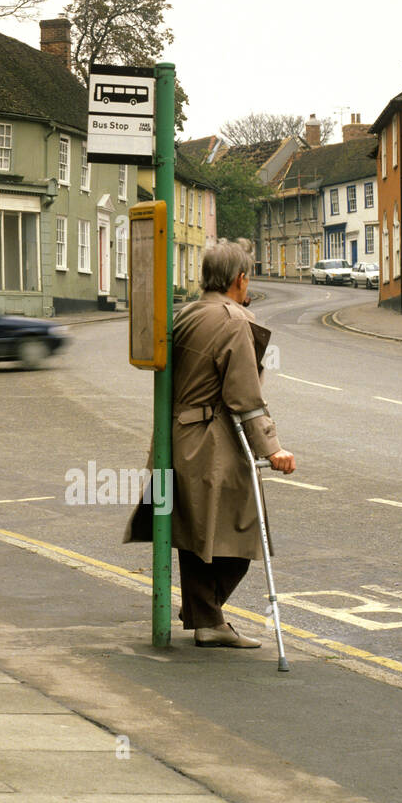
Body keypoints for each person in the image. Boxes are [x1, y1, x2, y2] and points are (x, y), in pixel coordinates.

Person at [124, 240, 296, 647]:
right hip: (211, 442)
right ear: (240, 279)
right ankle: (206, 616)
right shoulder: (233, 320)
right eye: (248, 275)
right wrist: (273, 449)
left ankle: (206, 619)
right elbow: (245, 396)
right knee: (244, 527)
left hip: (175, 437)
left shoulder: (187, 313)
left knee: (195, 531)